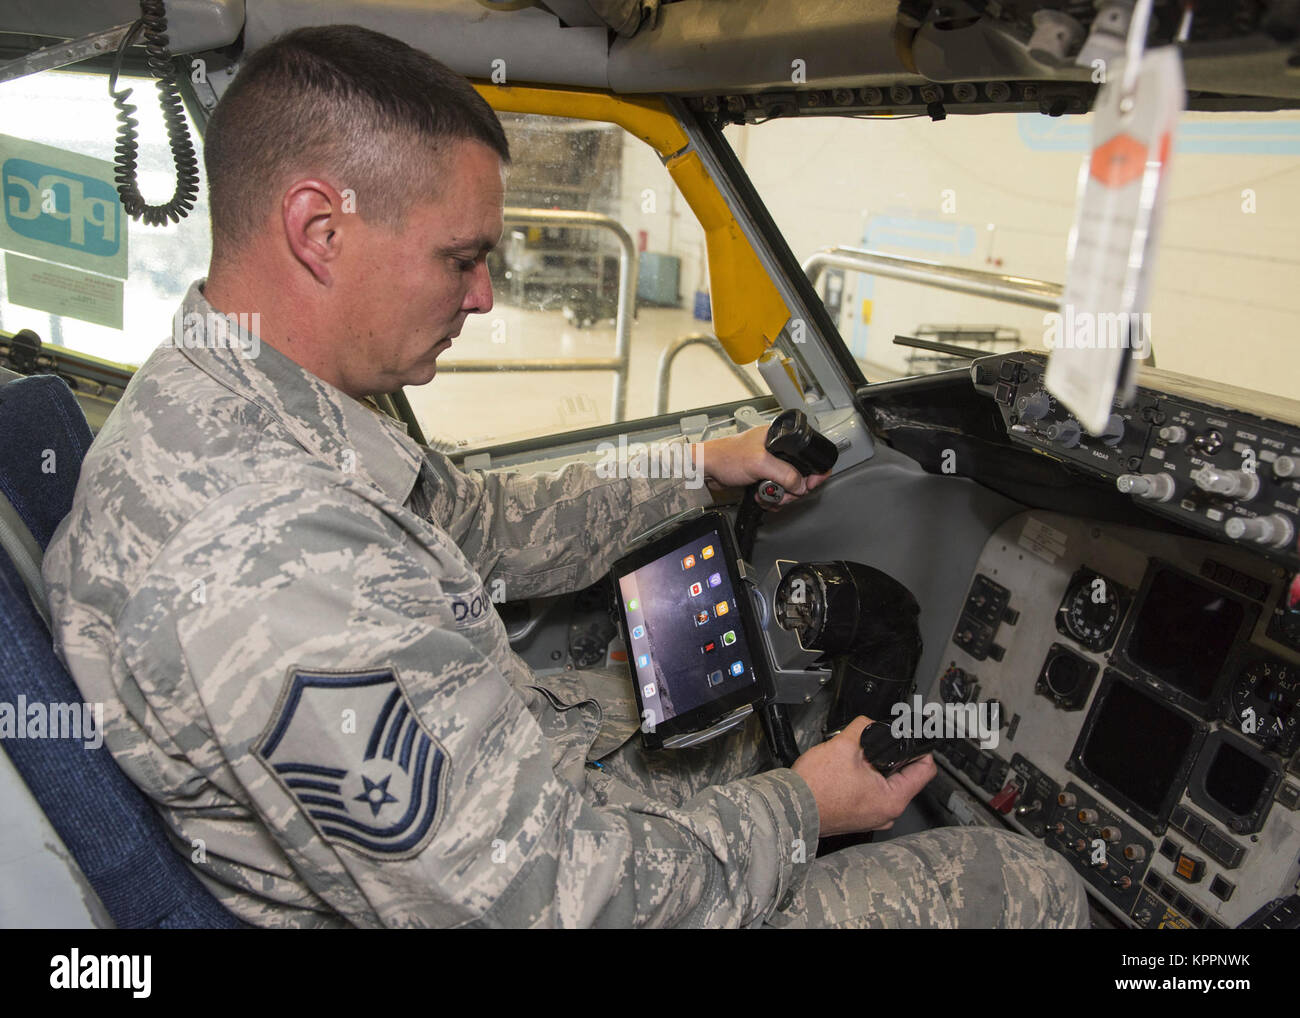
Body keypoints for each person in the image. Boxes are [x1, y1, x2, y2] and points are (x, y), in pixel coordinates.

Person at [43, 24, 1088, 928]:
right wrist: (806, 811)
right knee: (1028, 884)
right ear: (320, 230)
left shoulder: (227, 396)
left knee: (751, 710)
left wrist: (697, 470)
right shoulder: (275, 565)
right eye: (461, 259)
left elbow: (469, 519)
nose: (487, 295)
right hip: (551, 897)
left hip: (508, 827)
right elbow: (555, 908)